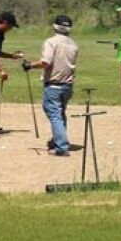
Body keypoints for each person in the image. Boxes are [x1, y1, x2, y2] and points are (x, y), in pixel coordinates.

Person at [22, 14, 79, 156]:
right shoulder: (73, 44)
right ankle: (58, 139)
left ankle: (61, 146)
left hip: (54, 85)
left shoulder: (51, 42)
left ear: (54, 26)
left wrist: (30, 65)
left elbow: (46, 62)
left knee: (54, 114)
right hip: (67, 85)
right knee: (60, 113)